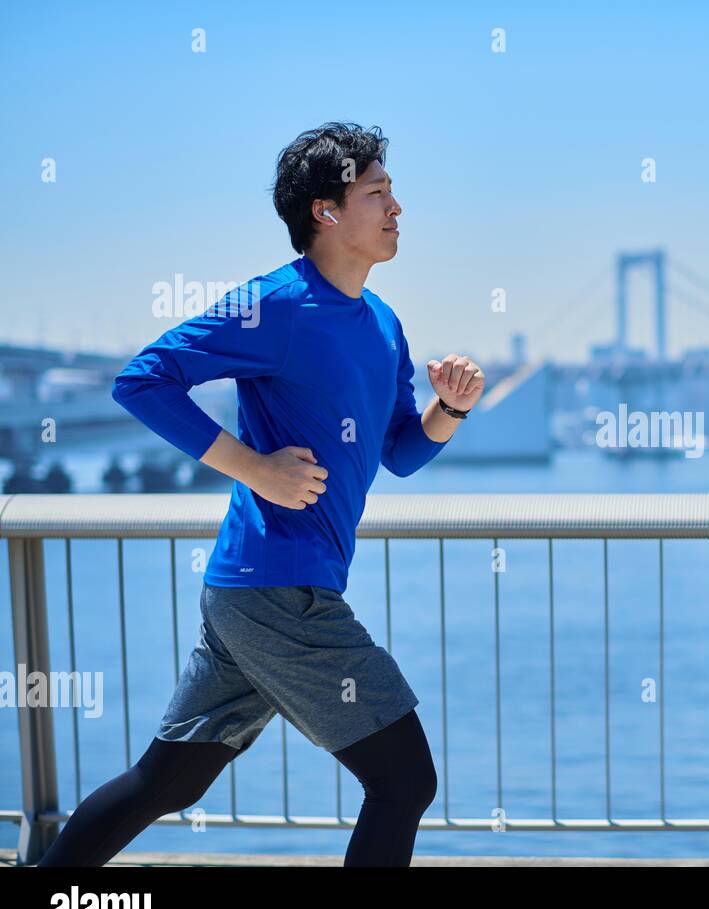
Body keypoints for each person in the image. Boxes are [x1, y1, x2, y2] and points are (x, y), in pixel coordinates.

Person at [37, 122, 484, 867]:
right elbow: (141, 380)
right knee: (404, 780)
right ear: (326, 212)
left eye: (394, 191)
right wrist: (254, 467)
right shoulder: (275, 305)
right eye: (377, 192)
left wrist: (453, 407)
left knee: (165, 780)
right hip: (281, 593)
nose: (397, 207)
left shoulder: (383, 324)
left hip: (254, 594)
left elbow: (402, 454)